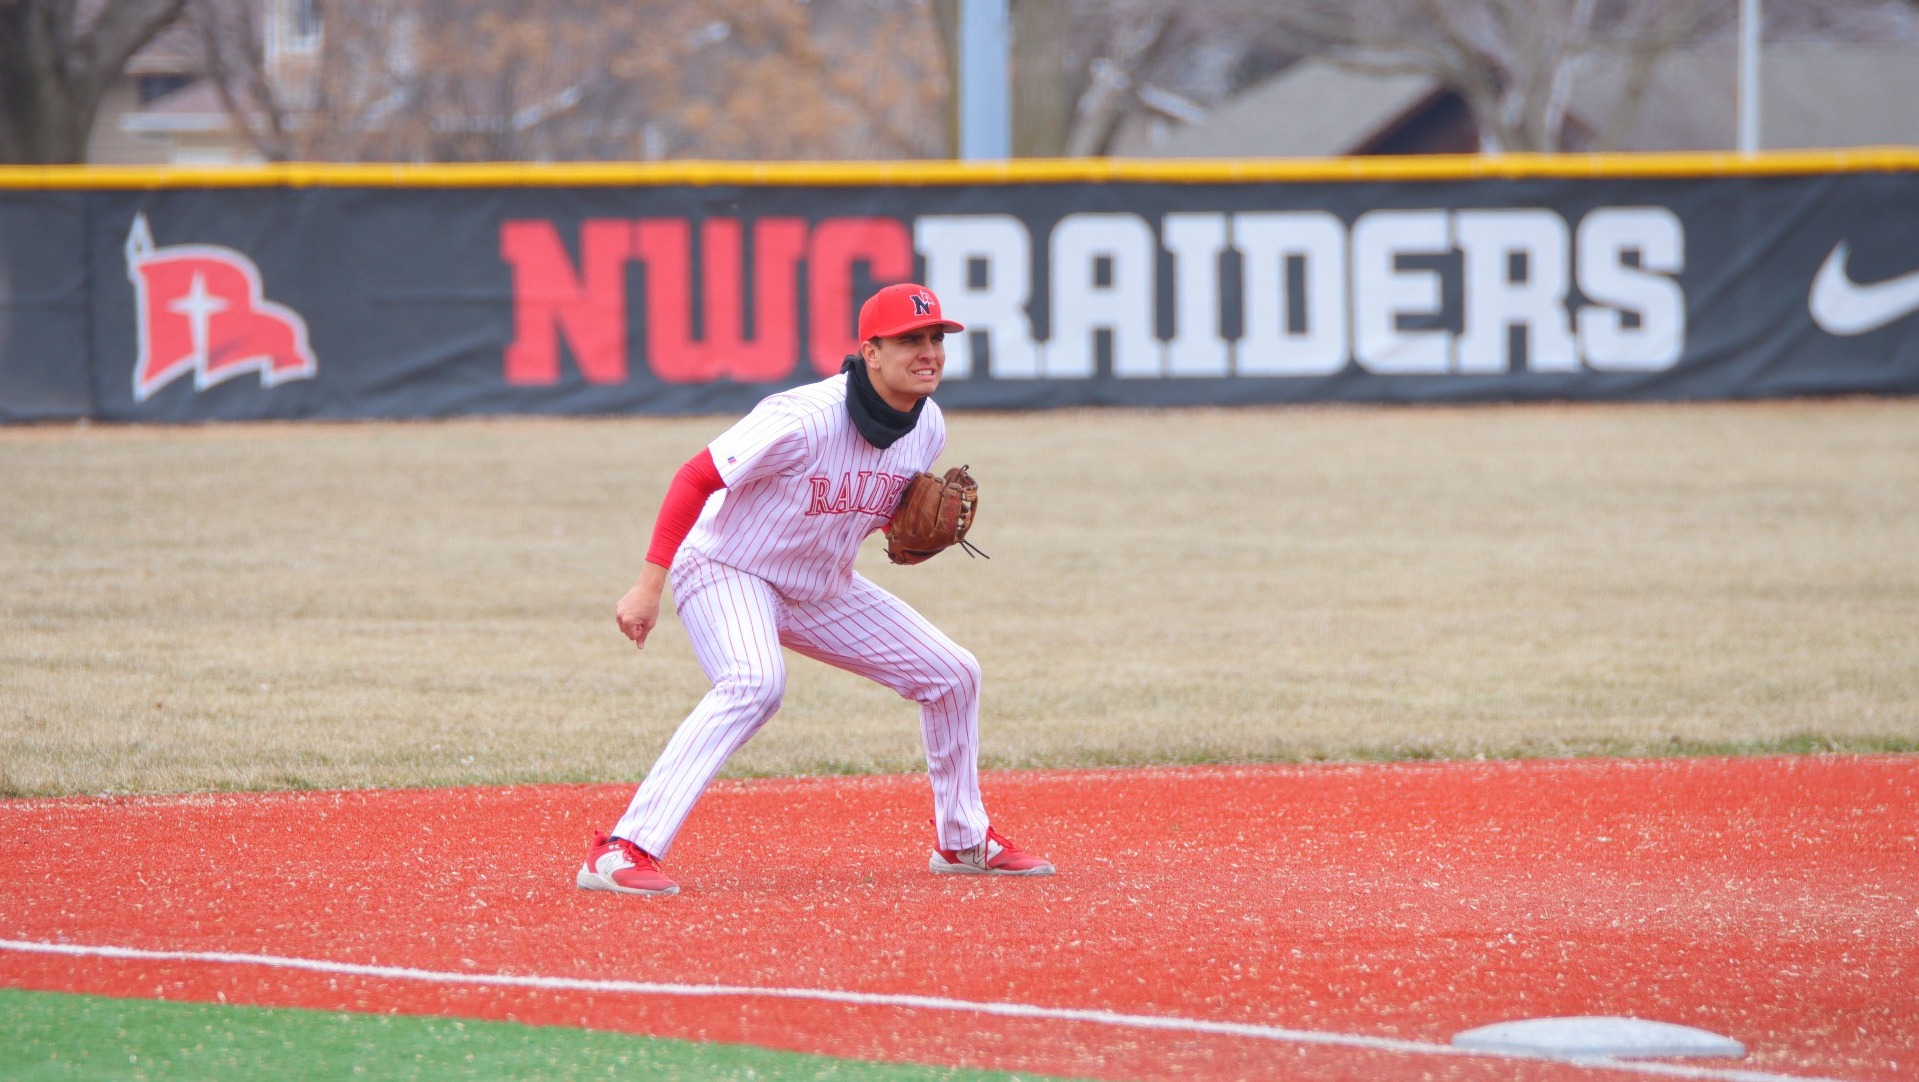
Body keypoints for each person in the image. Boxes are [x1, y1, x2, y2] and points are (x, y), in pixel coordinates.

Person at [578, 283, 1055, 897]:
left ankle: (962, 840)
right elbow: (695, 477)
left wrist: (900, 527)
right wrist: (649, 586)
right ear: (871, 352)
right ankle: (622, 847)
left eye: (936, 338)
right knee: (755, 683)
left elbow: (864, 503)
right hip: (729, 568)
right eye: (910, 339)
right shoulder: (801, 417)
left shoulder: (928, 426)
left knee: (954, 674)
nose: (929, 351)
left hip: (821, 586)